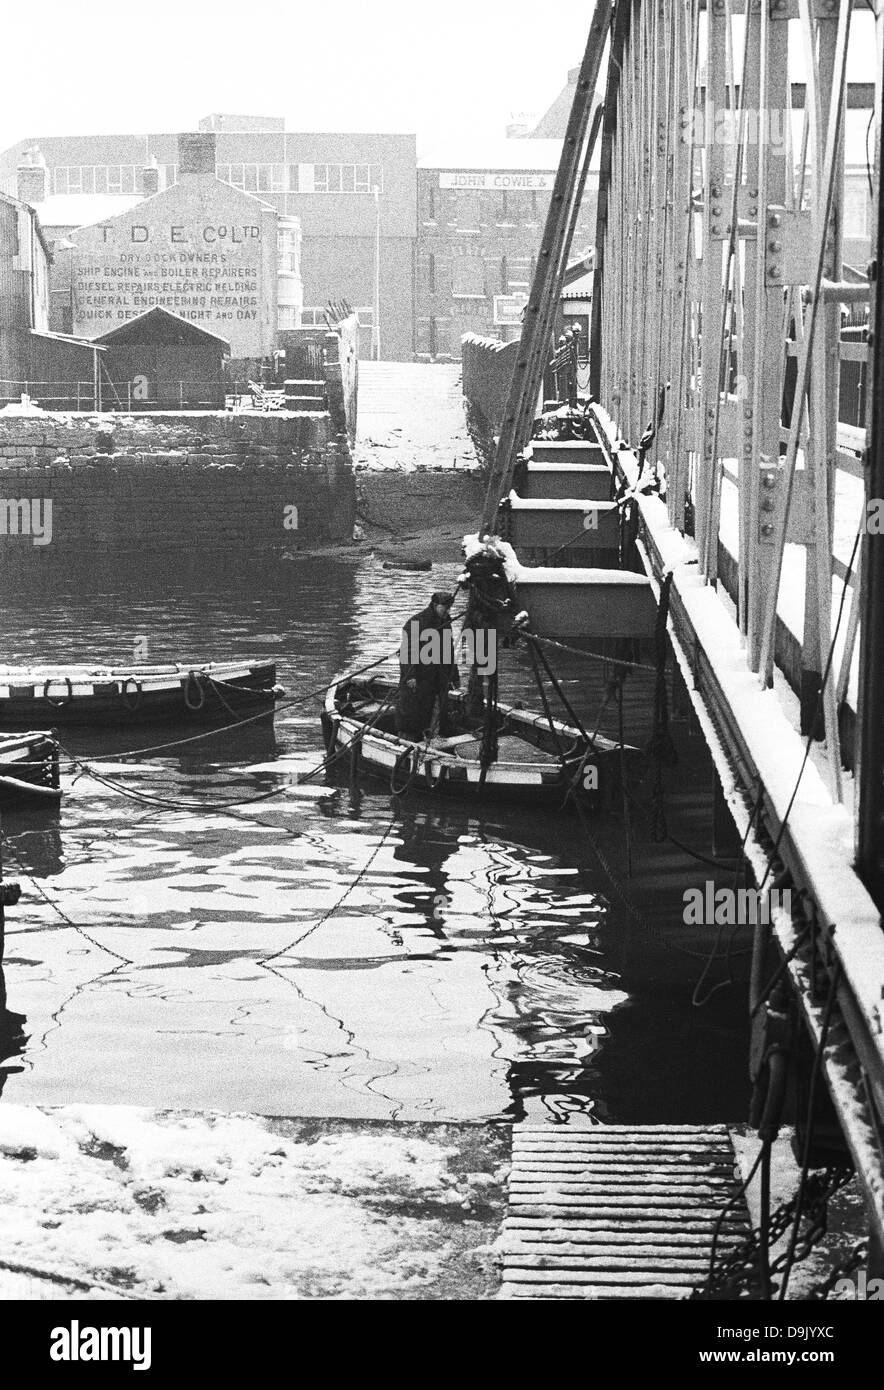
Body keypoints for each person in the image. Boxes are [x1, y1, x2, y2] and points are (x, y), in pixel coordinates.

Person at [396, 590, 460, 741]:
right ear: (435, 605)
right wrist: (410, 676)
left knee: (438, 709)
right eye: (445, 608)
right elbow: (406, 652)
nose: (448, 611)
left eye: (450, 608)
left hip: (437, 677)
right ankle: (407, 742)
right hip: (418, 676)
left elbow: (448, 651)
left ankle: (433, 737)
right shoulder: (416, 623)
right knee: (412, 712)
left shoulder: (445, 624)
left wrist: (454, 676)